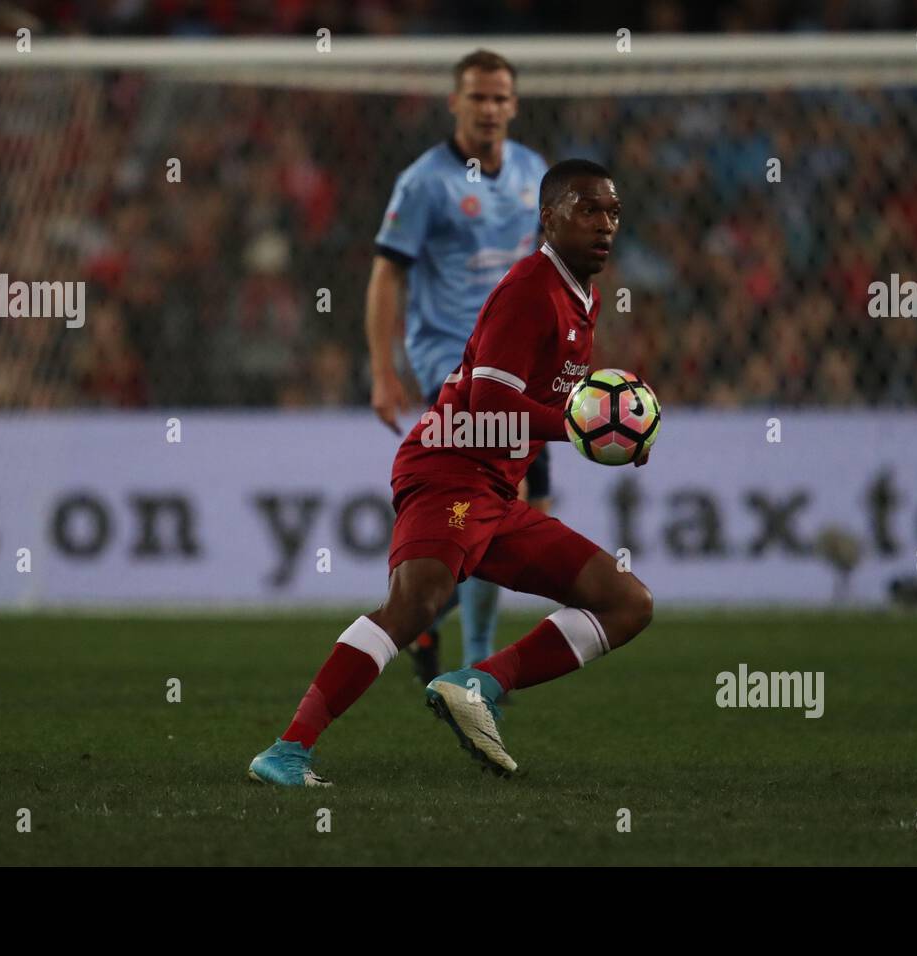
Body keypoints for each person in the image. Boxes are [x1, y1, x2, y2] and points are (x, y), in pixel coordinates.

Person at [249, 160, 652, 786]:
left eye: (613, 212)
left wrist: (609, 433)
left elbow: (548, 406)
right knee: (416, 603)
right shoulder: (530, 291)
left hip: (495, 489)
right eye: (589, 210)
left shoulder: (583, 297)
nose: (606, 225)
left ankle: (477, 683)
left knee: (626, 602)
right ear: (548, 218)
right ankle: (287, 750)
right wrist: (577, 425)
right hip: (450, 469)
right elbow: (490, 404)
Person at [366, 49, 550, 682]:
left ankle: (425, 626)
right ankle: (476, 672)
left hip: (521, 359)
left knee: (529, 515)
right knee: (505, 494)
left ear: (515, 104)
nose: (490, 109)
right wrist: (383, 368)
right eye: (478, 97)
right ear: (455, 103)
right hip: (453, 354)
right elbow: (388, 271)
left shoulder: (534, 172)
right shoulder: (425, 182)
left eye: (500, 98)